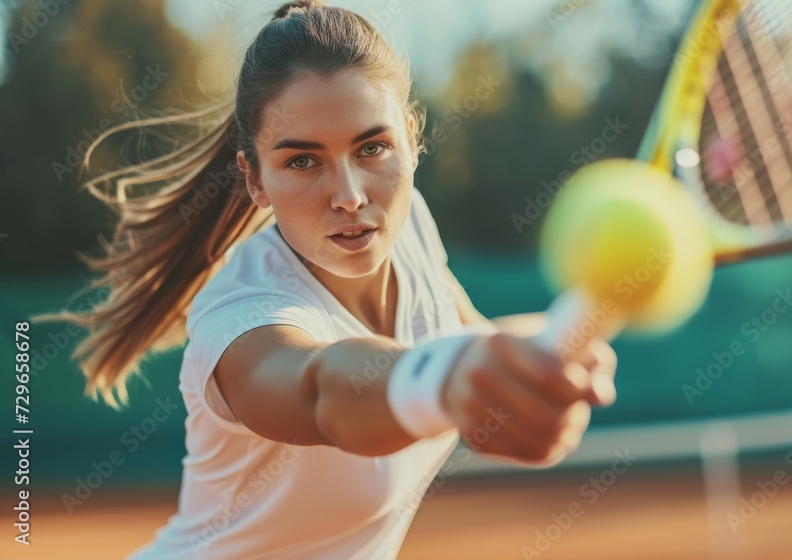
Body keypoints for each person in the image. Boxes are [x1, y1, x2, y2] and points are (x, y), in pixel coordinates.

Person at [45, 2, 617, 558]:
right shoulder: (241, 318)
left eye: (372, 148)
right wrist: (451, 383)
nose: (349, 196)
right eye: (302, 161)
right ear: (255, 179)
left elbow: (469, 341)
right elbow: (323, 393)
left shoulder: (409, 221)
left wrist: (559, 343)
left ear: (412, 140)